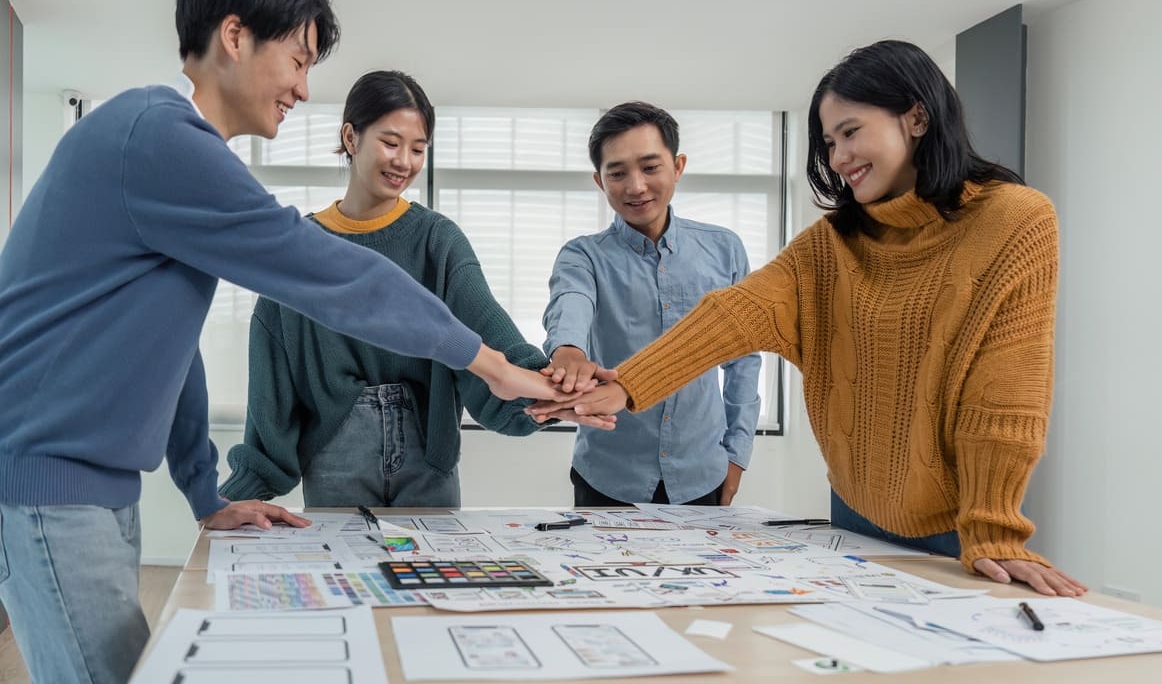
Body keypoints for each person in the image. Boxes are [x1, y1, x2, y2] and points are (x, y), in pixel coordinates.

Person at [0, 0, 583, 684]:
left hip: (95, 483)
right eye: (298, 60)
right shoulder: (157, 136)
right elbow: (328, 271)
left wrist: (206, 494)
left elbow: (170, 353)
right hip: (49, 478)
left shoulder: (169, 158)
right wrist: (492, 365)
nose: (304, 89)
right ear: (236, 36)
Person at [531, 41, 1088, 597]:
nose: (839, 156)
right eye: (828, 141)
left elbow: (1006, 393)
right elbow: (734, 317)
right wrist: (621, 380)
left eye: (850, 131)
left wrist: (993, 529)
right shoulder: (830, 243)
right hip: (850, 509)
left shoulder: (1017, 219)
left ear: (916, 116)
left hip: (957, 525)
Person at [220, 71, 612, 508]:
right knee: (344, 575)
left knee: (436, 575)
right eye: (390, 142)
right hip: (334, 462)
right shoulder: (297, 252)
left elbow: (491, 337)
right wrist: (235, 496)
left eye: (419, 148)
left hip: (429, 460)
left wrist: (553, 389)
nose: (404, 161)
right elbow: (270, 387)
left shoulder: (437, 241)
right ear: (351, 137)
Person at [541, 101, 762, 507]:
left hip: (703, 473)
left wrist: (737, 456)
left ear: (677, 166)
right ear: (599, 181)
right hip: (608, 477)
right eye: (617, 173)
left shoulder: (725, 249)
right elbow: (570, 302)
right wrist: (567, 349)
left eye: (650, 167)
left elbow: (743, 359)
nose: (636, 186)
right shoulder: (583, 255)